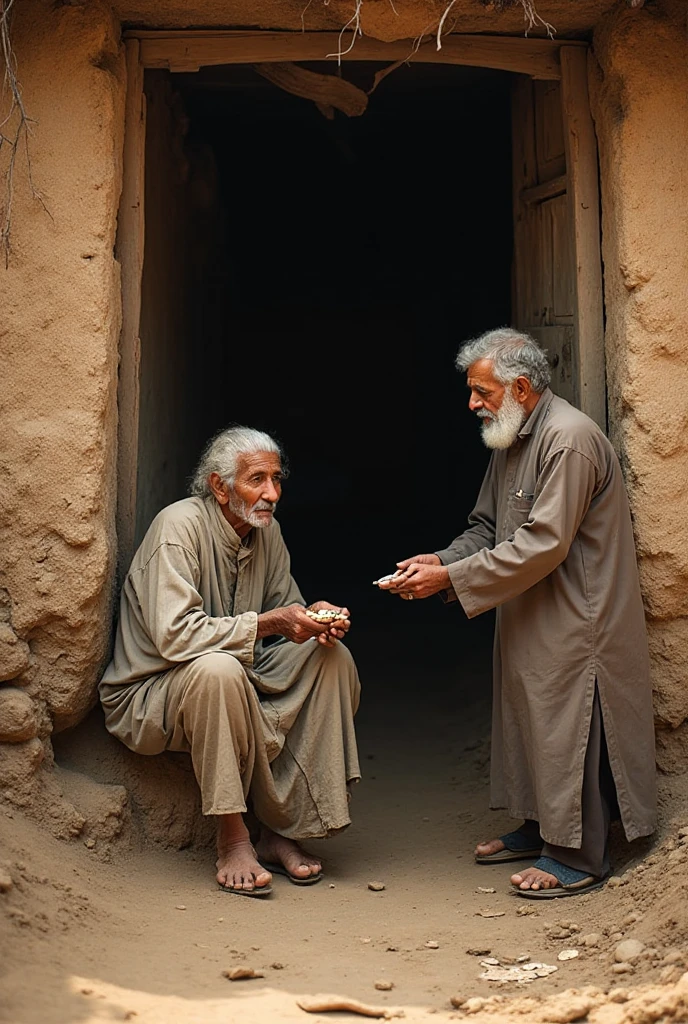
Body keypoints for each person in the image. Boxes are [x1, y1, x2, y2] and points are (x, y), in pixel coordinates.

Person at [379, 327, 656, 898]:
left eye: (481, 392)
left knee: (568, 726)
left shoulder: (569, 440)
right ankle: (539, 829)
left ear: (522, 388)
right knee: (533, 720)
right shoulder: (512, 437)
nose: (472, 404)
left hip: (580, 617)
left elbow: (544, 544)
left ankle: (578, 855)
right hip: (531, 608)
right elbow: (487, 527)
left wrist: (450, 580)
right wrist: (439, 560)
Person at [100, 426, 361, 898]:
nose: (272, 494)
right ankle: (233, 836)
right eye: (256, 480)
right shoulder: (178, 528)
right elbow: (176, 636)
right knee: (216, 671)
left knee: (331, 659)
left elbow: (286, 618)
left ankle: (282, 831)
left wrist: (313, 620)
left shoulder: (267, 533)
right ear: (220, 487)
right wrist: (268, 624)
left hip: (242, 672)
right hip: (152, 692)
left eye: (277, 479)